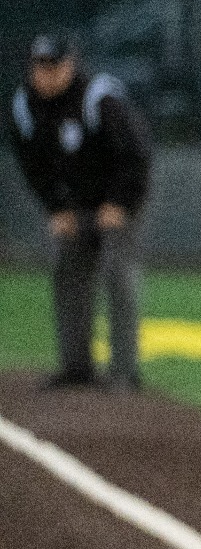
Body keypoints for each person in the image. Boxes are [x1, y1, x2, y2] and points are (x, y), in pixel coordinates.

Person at [7, 34, 152, 390]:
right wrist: (55, 207)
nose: (47, 74)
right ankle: (76, 367)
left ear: (71, 64)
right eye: (40, 66)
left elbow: (136, 154)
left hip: (118, 199)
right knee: (68, 273)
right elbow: (32, 165)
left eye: (54, 66)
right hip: (74, 204)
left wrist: (119, 203)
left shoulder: (97, 98)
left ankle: (124, 371)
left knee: (117, 273)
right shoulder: (26, 105)